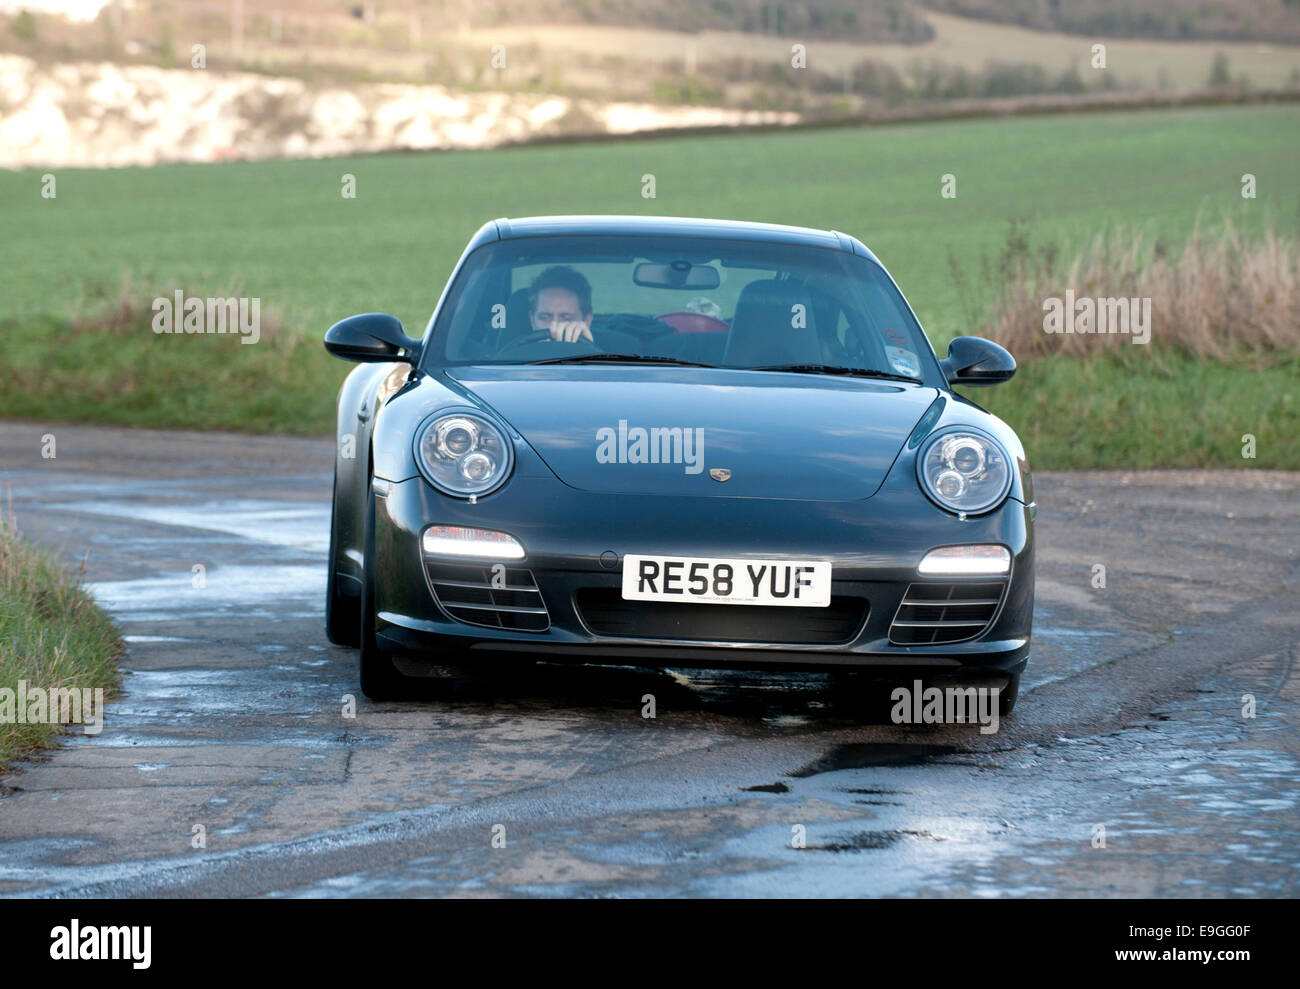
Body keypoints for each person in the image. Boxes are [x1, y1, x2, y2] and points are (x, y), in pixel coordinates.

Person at [529, 265, 595, 344]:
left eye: (566, 318)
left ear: (587, 320)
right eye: (545, 318)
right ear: (532, 320)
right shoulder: (514, 355)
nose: (554, 327)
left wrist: (588, 349)